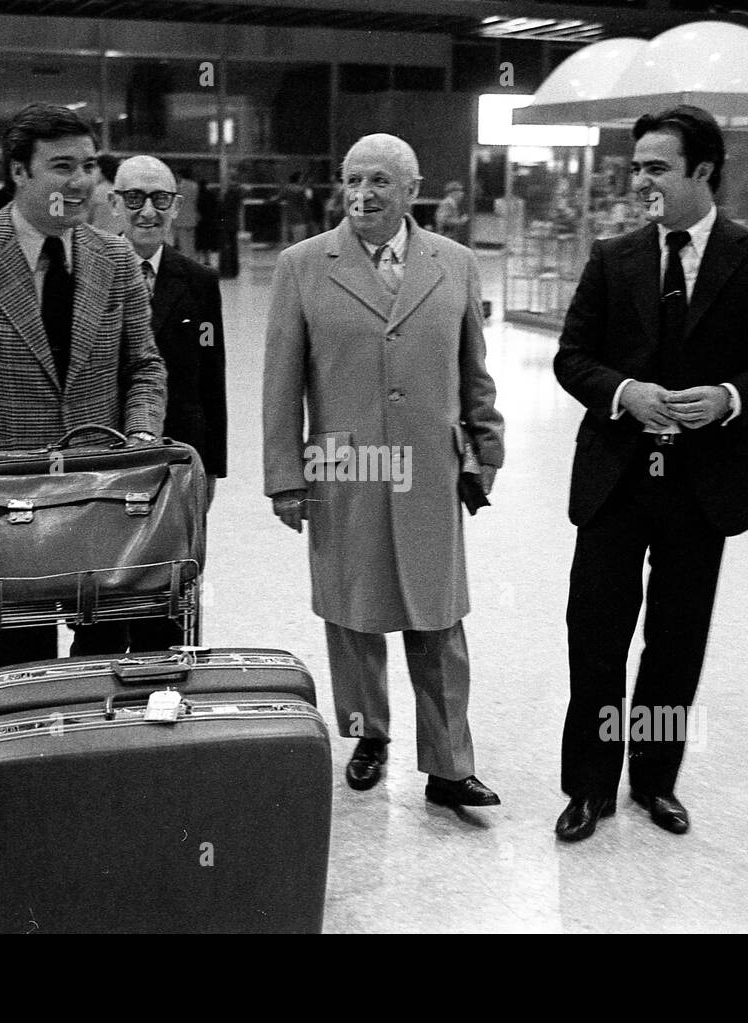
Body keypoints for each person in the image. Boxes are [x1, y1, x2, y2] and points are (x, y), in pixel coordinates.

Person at [552, 105, 748, 843]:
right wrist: (626, 393)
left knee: (675, 638)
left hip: (705, 483)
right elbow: (573, 357)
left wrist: (727, 398)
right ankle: (590, 785)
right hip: (615, 478)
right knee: (595, 633)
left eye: (656, 168)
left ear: (703, 171)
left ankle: (655, 781)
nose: (641, 181)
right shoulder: (613, 255)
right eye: (636, 168)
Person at [262, 133, 505, 810]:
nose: (361, 196)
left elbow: (473, 368)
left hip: (430, 469)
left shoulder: (454, 263)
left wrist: (486, 448)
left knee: (439, 617)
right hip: (343, 468)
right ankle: (370, 735)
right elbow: (281, 381)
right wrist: (285, 474)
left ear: (412, 189)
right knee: (354, 614)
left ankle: (451, 766)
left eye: (377, 182)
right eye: (350, 182)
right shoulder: (304, 265)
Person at [0, 103, 168, 669]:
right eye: (63, 167)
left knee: (103, 662)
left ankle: (92, 756)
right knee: (22, 668)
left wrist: (141, 437)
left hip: (104, 495)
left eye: (90, 166)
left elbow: (144, 366)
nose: (82, 182)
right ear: (20, 172)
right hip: (7, 501)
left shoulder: (115, 260)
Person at [74, 154, 228, 655]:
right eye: (135, 199)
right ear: (114, 204)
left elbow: (211, 380)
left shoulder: (198, 282)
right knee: (98, 604)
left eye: (160, 200)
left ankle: (159, 702)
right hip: (103, 462)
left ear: (177, 206)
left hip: (174, 463)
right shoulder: (85, 275)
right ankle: (96, 710)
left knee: (166, 601)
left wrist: (212, 472)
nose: (147, 212)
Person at [87, 152, 128, 235]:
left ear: (100, 169)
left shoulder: (96, 192)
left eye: (93, 168)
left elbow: (85, 221)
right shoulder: (121, 191)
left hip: (99, 239)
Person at [434, 180, 470, 245]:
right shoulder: (447, 203)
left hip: (449, 238)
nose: (462, 194)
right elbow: (443, 220)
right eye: (460, 191)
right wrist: (460, 221)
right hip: (445, 238)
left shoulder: (452, 204)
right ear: (452, 193)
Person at [172, 167, 198, 254]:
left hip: (180, 219)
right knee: (191, 243)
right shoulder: (195, 186)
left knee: (183, 244)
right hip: (191, 218)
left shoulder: (178, 187)